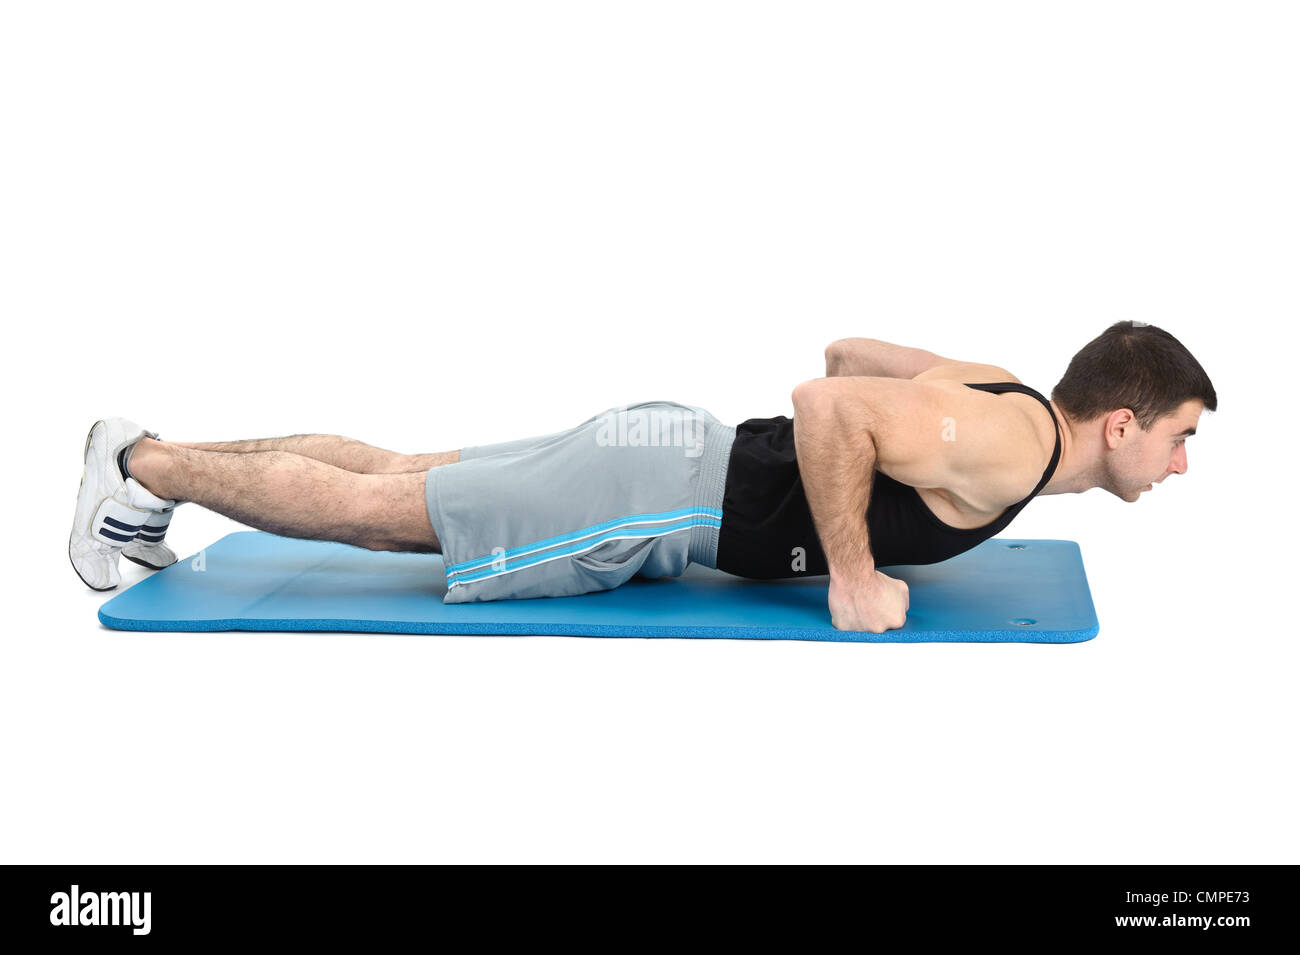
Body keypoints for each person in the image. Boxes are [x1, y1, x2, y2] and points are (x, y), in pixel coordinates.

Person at [68, 320, 1216, 633]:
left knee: (401, 467)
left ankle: (149, 462)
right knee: (385, 515)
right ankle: (138, 465)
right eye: (1178, 436)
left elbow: (844, 354)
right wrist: (852, 571)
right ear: (1119, 422)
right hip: (660, 497)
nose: (1178, 462)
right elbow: (829, 403)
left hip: (673, 450)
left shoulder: (996, 388)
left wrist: (825, 492)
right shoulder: (1014, 445)